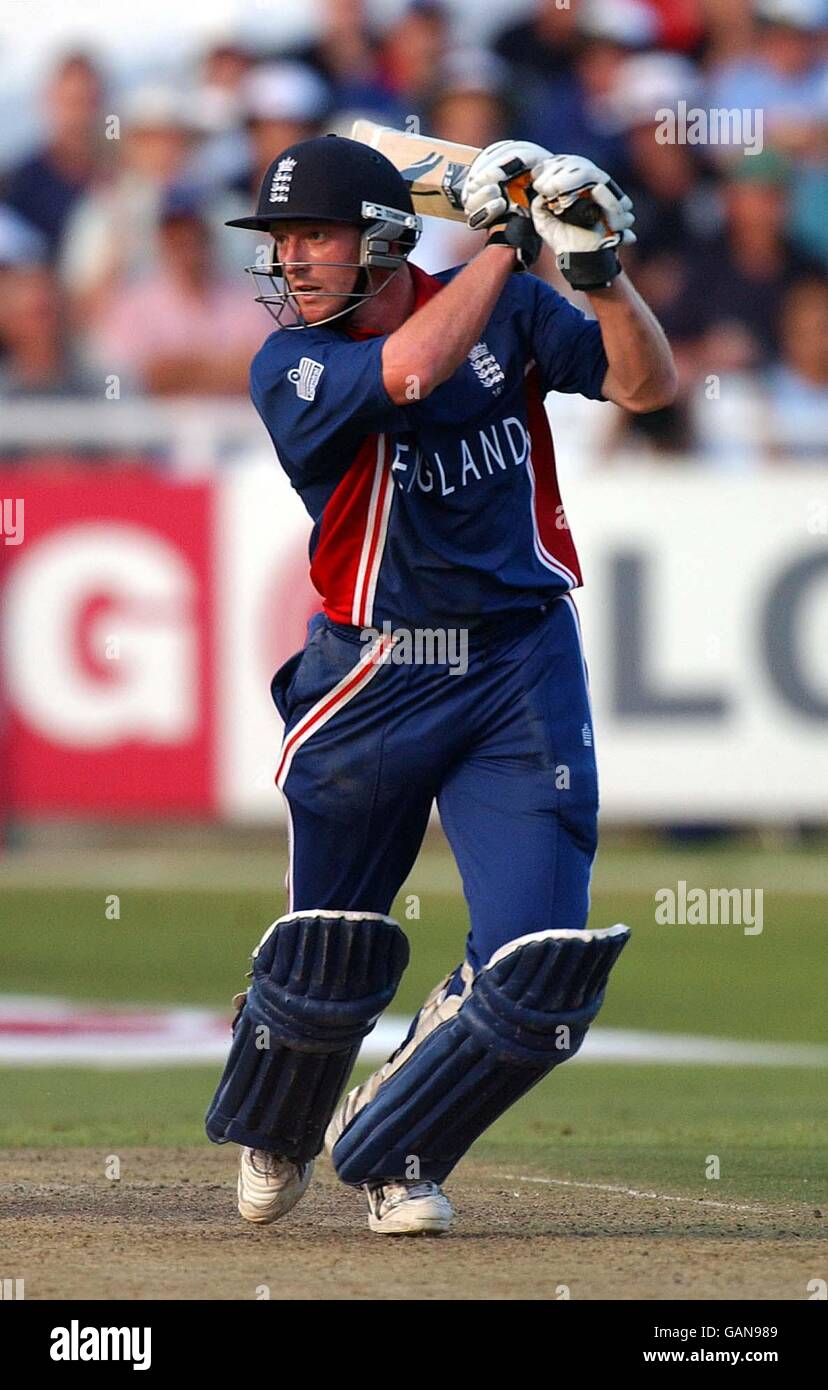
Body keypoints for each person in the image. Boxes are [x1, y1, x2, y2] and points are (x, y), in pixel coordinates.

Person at [205, 134, 676, 1235]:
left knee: (538, 965)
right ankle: (280, 1123)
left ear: (382, 240)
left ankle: (399, 1145)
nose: (294, 263)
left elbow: (646, 385)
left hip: (520, 659)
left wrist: (601, 275)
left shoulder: (500, 306)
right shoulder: (291, 367)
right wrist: (510, 242)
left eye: (315, 236)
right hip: (373, 668)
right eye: (282, 243)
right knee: (331, 947)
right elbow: (413, 370)